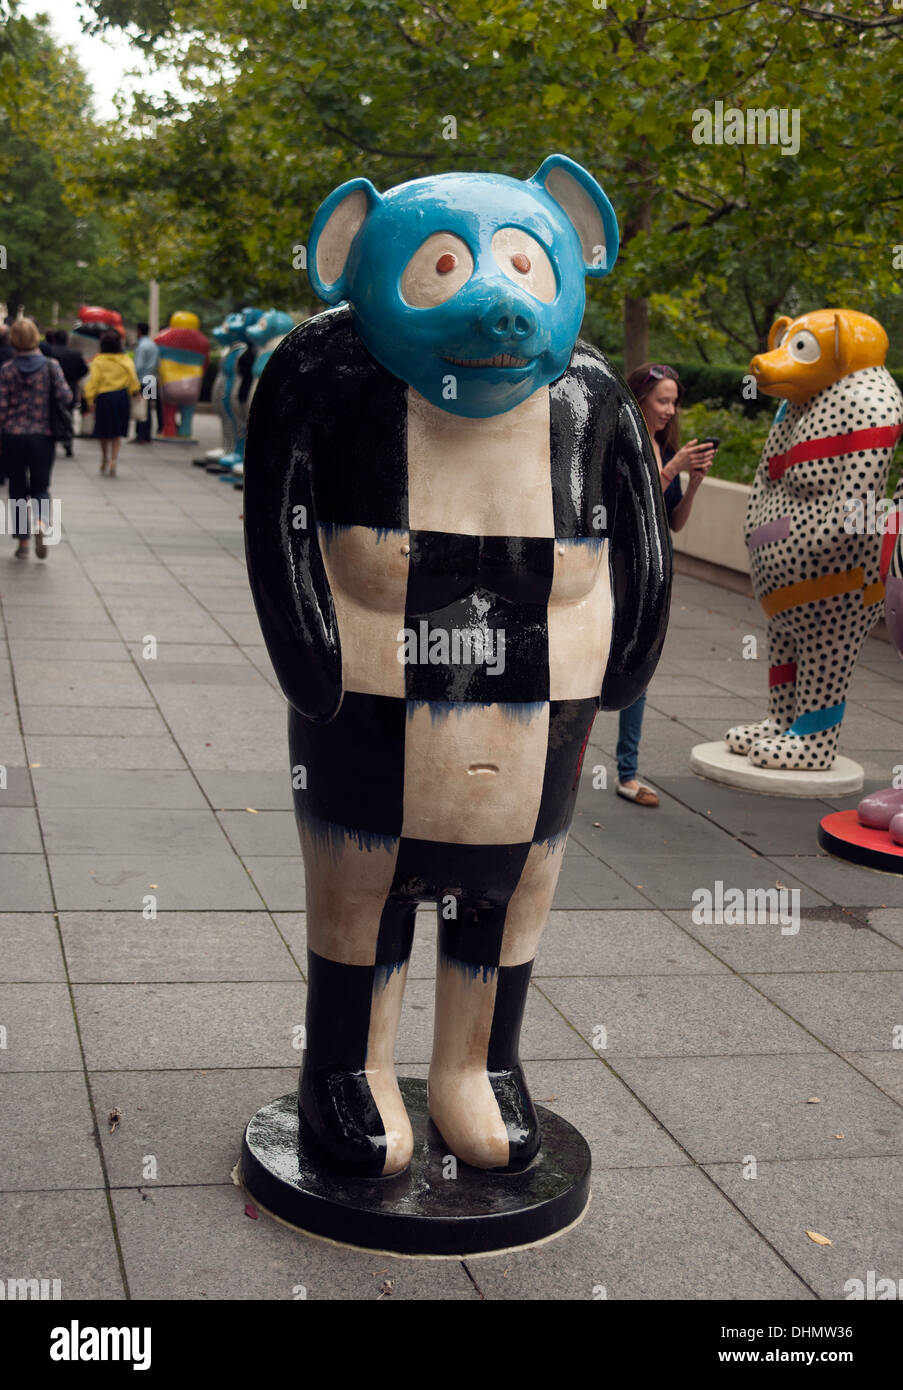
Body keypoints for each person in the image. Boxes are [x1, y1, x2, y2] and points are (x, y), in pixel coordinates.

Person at [615, 363, 715, 807]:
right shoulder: (625, 445)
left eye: (674, 402)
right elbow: (637, 502)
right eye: (662, 400)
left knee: (639, 669)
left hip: (653, 576)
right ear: (639, 399)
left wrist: (693, 486)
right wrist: (673, 468)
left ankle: (627, 773)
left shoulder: (662, 446)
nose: (670, 410)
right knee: (589, 668)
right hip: (617, 570)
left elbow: (671, 522)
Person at [0, 317, 71, 558]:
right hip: (43, 436)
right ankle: (41, 522)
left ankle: (23, 543)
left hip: (13, 436)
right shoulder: (51, 366)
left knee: (17, 488)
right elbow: (66, 395)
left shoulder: (7, 369)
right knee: (41, 486)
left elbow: (1, 407)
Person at [82, 329, 140, 476]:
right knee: (117, 432)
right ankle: (114, 460)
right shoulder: (126, 359)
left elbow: (93, 381)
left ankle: (104, 458)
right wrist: (135, 391)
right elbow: (133, 378)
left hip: (104, 398)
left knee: (103, 430)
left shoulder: (99, 360)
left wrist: (89, 399)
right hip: (121, 397)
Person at [41, 330, 88, 456]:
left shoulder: (48, 352)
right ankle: (67, 442)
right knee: (68, 416)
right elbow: (84, 370)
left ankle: (51, 441)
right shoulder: (75, 354)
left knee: (50, 416)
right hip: (70, 387)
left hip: (50, 389)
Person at [131, 321, 158, 443]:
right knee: (147, 409)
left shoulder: (142, 346)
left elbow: (138, 365)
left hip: (142, 379)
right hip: (151, 378)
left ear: (139, 331)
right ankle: (147, 435)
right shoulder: (153, 345)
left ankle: (140, 435)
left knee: (140, 406)